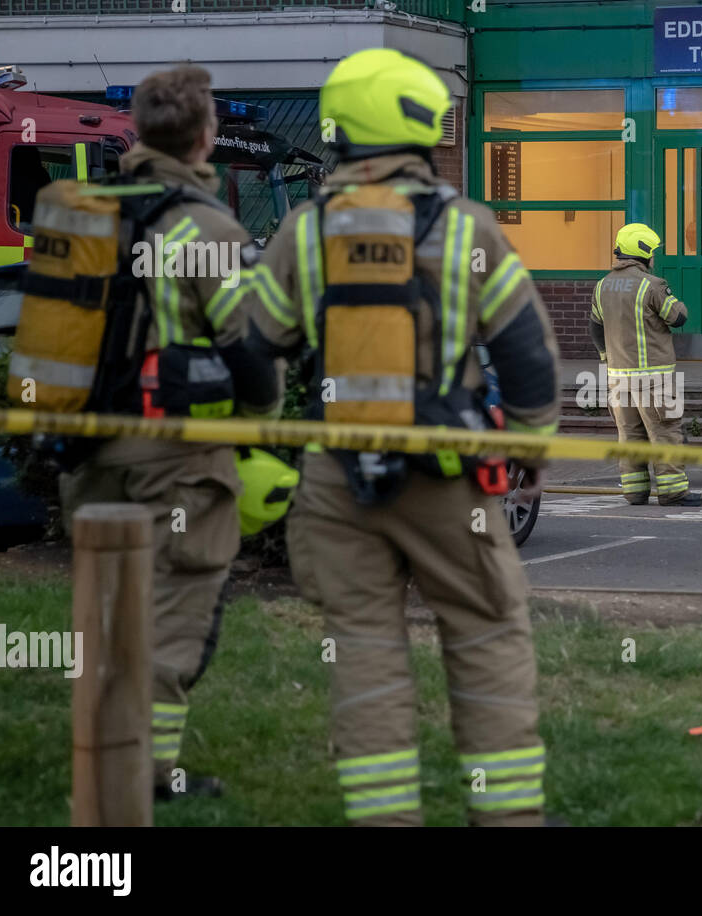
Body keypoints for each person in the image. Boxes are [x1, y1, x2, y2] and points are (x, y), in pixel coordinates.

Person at [257, 48, 560, 826]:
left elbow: (254, 346)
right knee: (487, 632)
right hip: (450, 479)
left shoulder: (303, 229)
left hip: (334, 480)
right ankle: (508, 817)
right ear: (423, 127)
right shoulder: (467, 228)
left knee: (363, 649)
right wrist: (526, 451)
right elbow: (528, 359)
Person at [54, 65, 286, 797]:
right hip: (176, 459)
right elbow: (249, 351)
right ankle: (144, 776)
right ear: (204, 138)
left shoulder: (81, 210)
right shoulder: (208, 227)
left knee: (104, 609)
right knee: (173, 611)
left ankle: (97, 748)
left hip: (87, 451)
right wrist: (260, 425)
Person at [590, 223, 701, 506]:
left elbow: (595, 327)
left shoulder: (602, 286)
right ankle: (673, 491)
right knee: (665, 433)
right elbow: (678, 317)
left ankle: (635, 491)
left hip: (617, 377)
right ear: (643, 253)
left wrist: (605, 358)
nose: (654, 257)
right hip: (654, 377)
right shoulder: (652, 286)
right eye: (652, 252)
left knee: (629, 436)